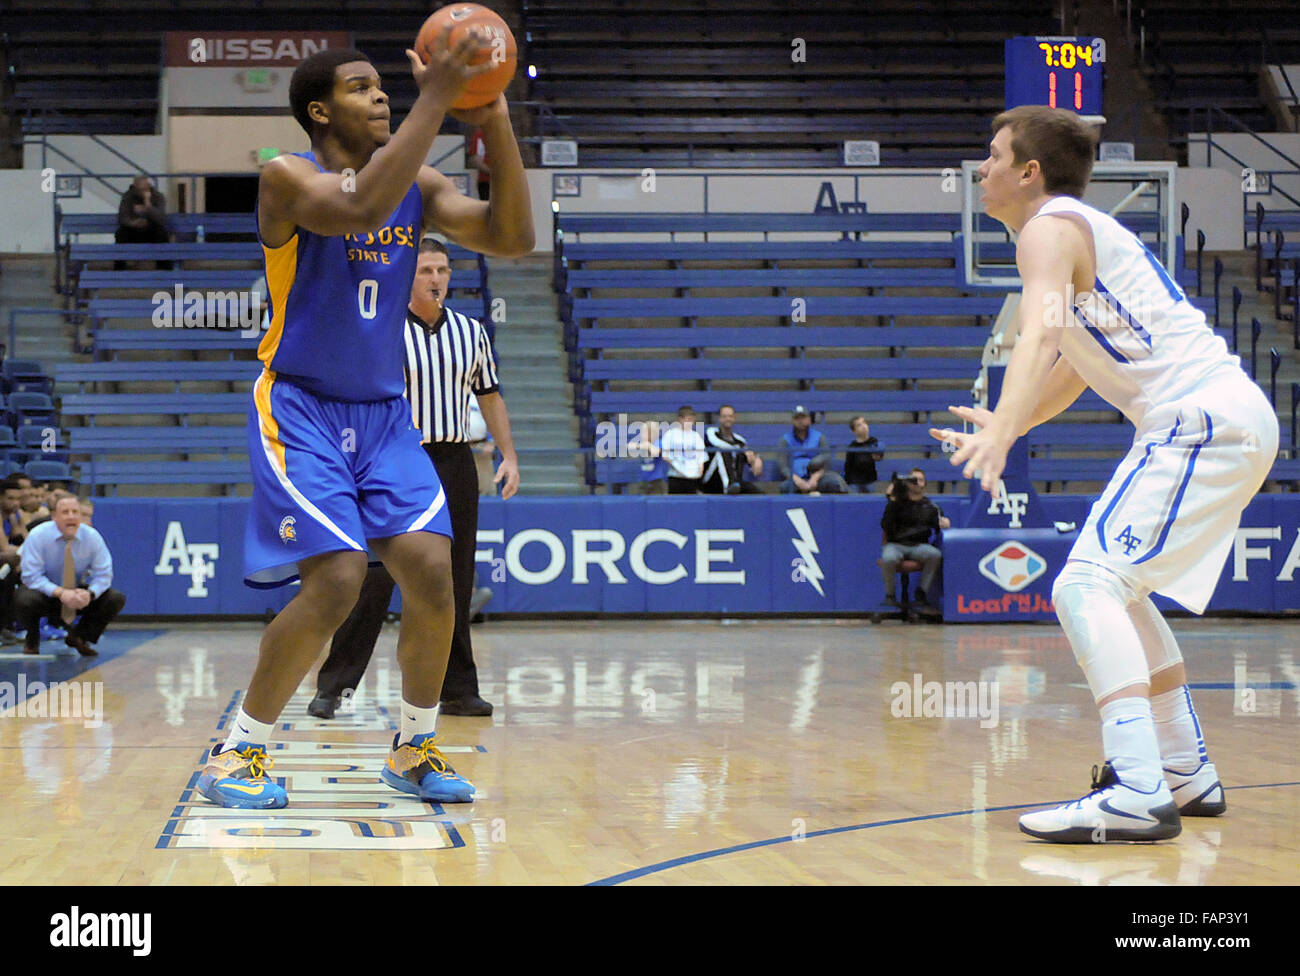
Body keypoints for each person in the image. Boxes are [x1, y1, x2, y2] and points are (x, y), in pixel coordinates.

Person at [200, 37, 533, 811]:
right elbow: (358, 208)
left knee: (433, 576)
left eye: (387, 87)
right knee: (340, 580)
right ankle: (238, 752)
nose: (383, 97)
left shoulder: (418, 181)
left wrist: (497, 117)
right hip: (301, 406)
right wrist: (438, 100)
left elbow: (513, 238)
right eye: (362, 88)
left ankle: (414, 750)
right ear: (321, 111)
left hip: (385, 415)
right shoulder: (287, 177)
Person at [932, 106, 1278, 843]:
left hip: (1198, 419)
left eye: (994, 156)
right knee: (1119, 593)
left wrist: (999, 424)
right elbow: (1074, 368)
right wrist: (1010, 420)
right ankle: (1183, 773)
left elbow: (1043, 330)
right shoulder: (1073, 234)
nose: (982, 168)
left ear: (1029, 171)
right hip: (1224, 419)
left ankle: (1135, 786)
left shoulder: (1047, 231)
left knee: (1084, 586)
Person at [309, 236, 520, 721]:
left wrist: (507, 454)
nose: (436, 278)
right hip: (393, 459)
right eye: (426, 270)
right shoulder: (378, 330)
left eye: (443, 270)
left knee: (454, 579)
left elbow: (489, 396)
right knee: (375, 578)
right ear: (407, 276)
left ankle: (458, 688)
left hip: (454, 460)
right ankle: (335, 685)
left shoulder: (472, 332)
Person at [16, 495, 125, 656]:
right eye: (65, 512)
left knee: (115, 598)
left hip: (76, 592)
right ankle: (32, 638)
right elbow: (31, 576)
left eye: (75, 512)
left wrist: (90, 593)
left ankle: (79, 636)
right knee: (24, 599)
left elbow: (104, 575)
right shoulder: (38, 535)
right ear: (54, 517)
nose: (71, 516)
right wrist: (60, 592)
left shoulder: (92, 537)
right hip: (46, 593)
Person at [879, 468, 949, 614]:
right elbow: (885, 524)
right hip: (895, 545)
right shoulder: (896, 504)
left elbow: (939, 524)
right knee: (888, 557)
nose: (916, 483)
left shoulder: (930, 506)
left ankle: (921, 593)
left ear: (925, 484)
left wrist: (944, 522)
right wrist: (893, 498)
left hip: (919, 546)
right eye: (913, 479)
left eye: (920, 480)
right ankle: (890, 595)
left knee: (935, 554)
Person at [778, 406, 848, 494]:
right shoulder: (785, 440)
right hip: (795, 479)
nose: (800, 421)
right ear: (792, 421)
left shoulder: (819, 437)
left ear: (809, 419)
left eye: (803, 417)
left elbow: (826, 461)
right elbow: (783, 467)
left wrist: (814, 478)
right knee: (785, 487)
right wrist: (798, 480)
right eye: (797, 418)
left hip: (818, 478)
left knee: (833, 483)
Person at [701, 404, 764, 494]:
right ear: (719, 418)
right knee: (723, 452)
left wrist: (757, 458)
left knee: (757, 493)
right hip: (712, 481)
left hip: (736, 484)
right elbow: (719, 444)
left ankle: (733, 485)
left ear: (734, 418)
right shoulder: (711, 432)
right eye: (725, 416)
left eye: (730, 416)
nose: (728, 419)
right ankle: (728, 486)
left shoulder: (739, 440)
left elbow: (749, 456)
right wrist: (743, 450)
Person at [656, 405, 707, 494]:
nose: (689, 423)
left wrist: (699, 470)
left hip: (692, 478)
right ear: (679, 419)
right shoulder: (670, 434)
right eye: (686, 420)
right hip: (676, 477)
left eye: (691, 420)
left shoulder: (696, 436)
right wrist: (678, 466)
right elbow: (665, 455)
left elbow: (701, 456)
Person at [843, 415, 884, 492]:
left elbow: (879, 457)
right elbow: (848, 466)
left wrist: (878, 456)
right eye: (859, 425)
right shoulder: (852, 446)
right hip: (855, 481)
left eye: (864, 423)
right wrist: (848, 482)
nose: (863, 426)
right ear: (854, 431)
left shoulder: (873, 441)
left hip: (870, 480)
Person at [466, 126, 490, 200]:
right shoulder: (481, 135)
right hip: (487, 182)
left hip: (504, 182)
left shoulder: (505, 136)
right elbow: (476, 160)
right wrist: (494, 173)